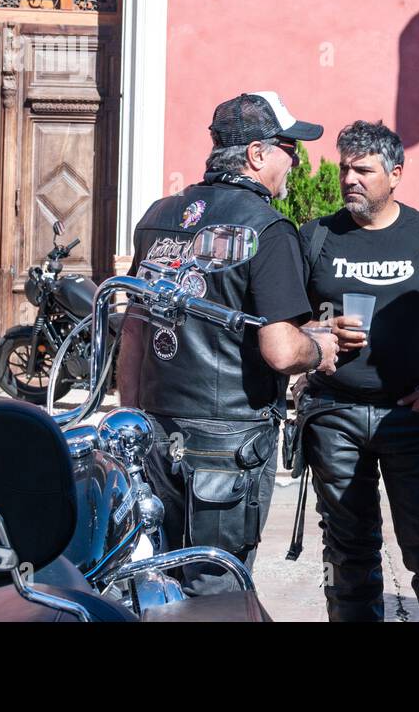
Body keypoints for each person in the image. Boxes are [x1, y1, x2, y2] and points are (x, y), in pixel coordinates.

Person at [118, 91, 338, 595]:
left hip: (155, 427)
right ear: (258, 155)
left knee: (164, 579)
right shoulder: (268, 227)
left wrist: (129, 414)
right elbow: (282, 350)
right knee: (216, 588)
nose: (296, 162)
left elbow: (135, 324)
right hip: (228, 439)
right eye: (289, 148)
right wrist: (319, 349)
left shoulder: (160, 216)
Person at [294, 120, 419, 621]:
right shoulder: (316, 237)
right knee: (347, 552)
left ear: (396, 173)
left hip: (413, 417)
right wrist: (325, 328)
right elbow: (292, 323)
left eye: (364, 170)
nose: (350, 179)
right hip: (335, 413)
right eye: (344, 169)